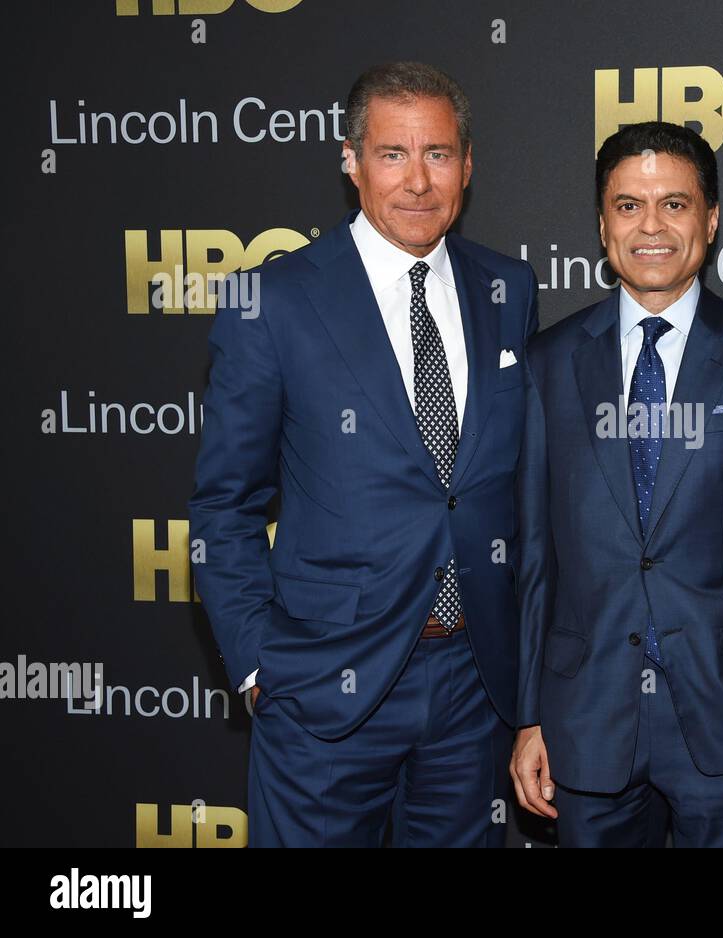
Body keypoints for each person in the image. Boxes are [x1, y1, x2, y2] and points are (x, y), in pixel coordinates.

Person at [190, 62, 538, 847]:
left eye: (439, 155)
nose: (418, 181)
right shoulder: (273, 301)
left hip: (471, 684)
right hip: (325, 690)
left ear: (469, 165)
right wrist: (258, 670)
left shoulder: (507, 288)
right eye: (392, 154)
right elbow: (223, 505)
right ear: (350, 161)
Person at [510, 121, 723, 847]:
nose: (651, 226)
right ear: (601, 225)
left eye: (675, 204)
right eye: (628, 206)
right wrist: (532, 713)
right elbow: (536, 559)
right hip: (587, 717)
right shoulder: (550, 363)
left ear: (712, 218)